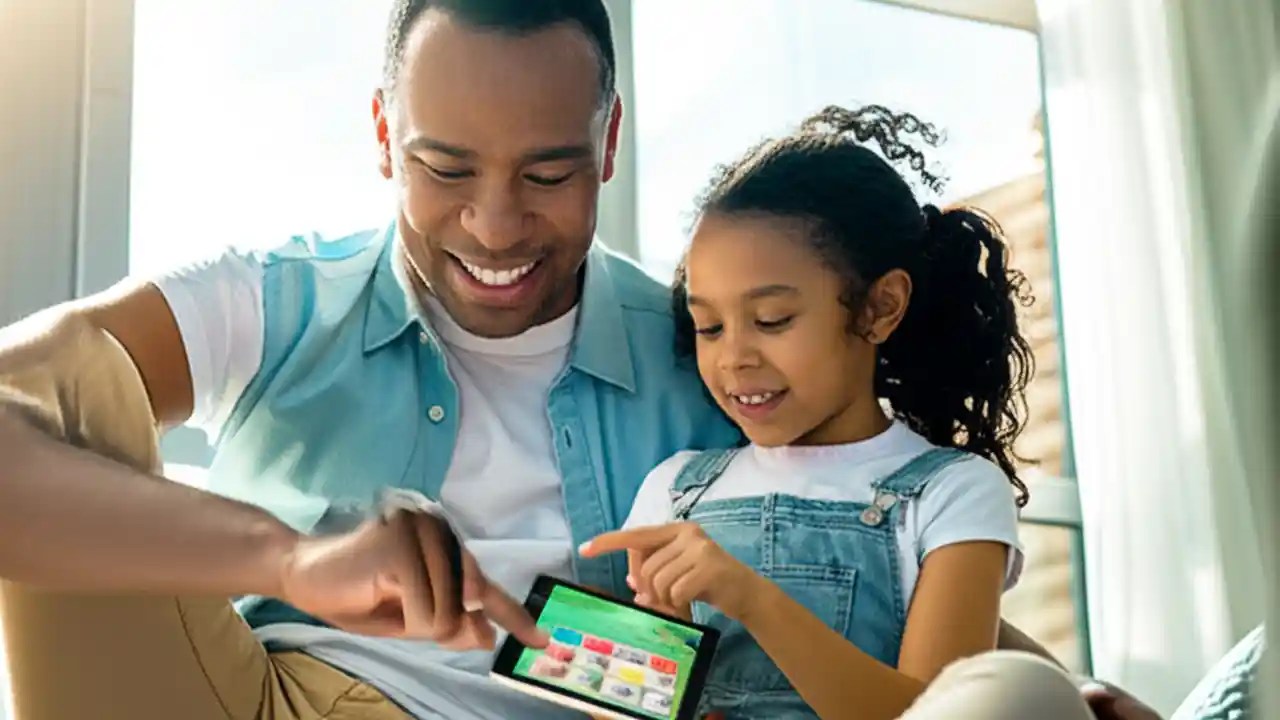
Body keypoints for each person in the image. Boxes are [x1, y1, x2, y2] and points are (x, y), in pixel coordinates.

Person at [0, 1, 1156, 719]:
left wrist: (1038, 681)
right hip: (267, 697)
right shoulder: (273, 299)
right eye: (444, 170)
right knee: (61, 388)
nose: (496, 227)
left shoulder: (707, 358)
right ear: (380, 138)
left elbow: (852, 531)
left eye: (546, 174)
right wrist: (291, 561)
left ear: (606, 142)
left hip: (600, 695)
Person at [581, 104, 1031, 719]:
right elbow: (618, 704)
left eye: (772, 320)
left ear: (879, 308)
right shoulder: (675, 489)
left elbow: (932, 715)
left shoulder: (954, 493)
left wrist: (751, 599)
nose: (734, 357)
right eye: (708, 325)